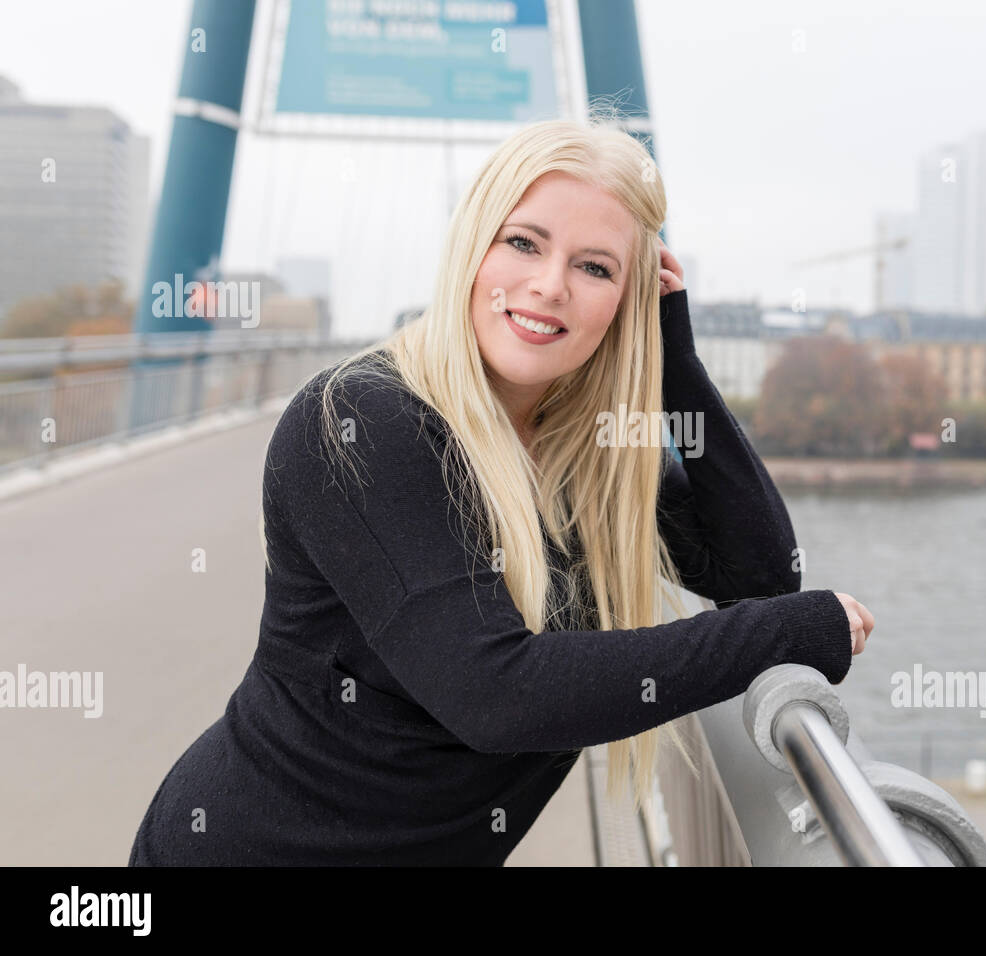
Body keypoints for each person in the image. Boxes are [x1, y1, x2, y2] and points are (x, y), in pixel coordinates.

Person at [127, 114, 875, 866]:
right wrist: (788, 633)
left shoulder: (586, 453)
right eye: (523, 243)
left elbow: (761, 577)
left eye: (596, 268)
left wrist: (670, 355)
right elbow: (495, 694)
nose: (549, 286)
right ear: (473, 247)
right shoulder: (359, 420)